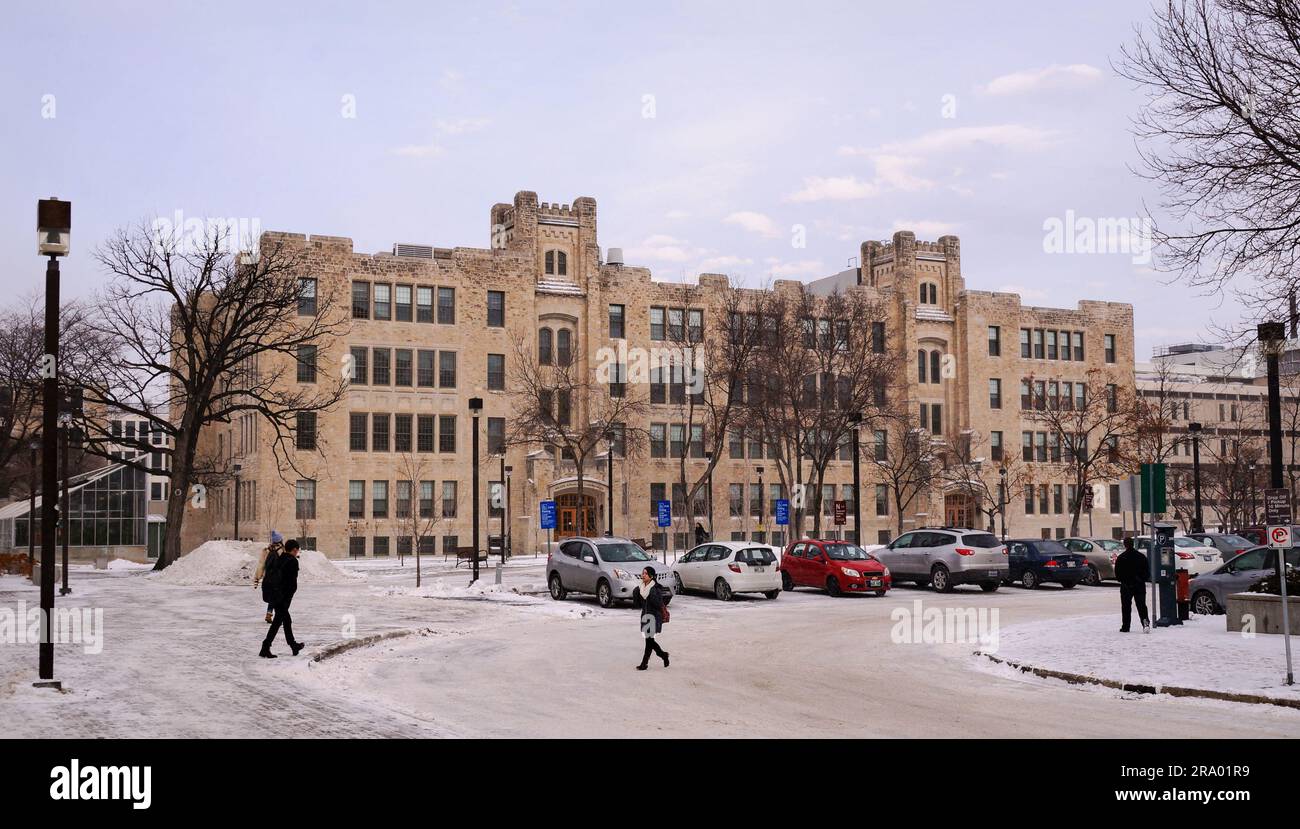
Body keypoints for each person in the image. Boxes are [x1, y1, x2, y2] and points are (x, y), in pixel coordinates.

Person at [260, 539, 305, 658]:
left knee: (281, 621)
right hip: (282, 598)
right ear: (294, 549)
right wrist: (287, 597)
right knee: (280, 622)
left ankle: (291, 645)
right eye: (297, 550)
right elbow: (291, 583)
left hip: (274, 595)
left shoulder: (281, 558)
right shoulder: (292, 561)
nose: (297, 553)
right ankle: (266, 647)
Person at [636, 565, 669, 670]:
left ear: (651, 576)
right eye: (643, 573)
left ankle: (644, 663)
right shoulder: (641, 587)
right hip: (645, 616)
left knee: (649, 641)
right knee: (649, 641)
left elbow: (658, 604)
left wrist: (652, 595)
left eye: (645, 573)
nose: (643, 575)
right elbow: (638, 603)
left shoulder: (655, 588)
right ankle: (663, 655)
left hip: (653, 616)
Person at [1114, 537, 1150, 633]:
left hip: (1126, 585)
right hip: (1139, 585)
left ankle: (1126, 626)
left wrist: (1123, 580)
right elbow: (1147, 572)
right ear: (1133, 544)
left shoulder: (1121, 558)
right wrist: (1141, 579)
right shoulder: (1141, 557)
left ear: (1125, 545)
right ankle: (1145, 623)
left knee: (1126, 607)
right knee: (1142, 606)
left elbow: (1117, 573)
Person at [254, 532, 284, 623]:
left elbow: (261, 565)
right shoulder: (282, 550)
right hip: (279, 578)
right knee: (278, 598)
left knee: (272, 597)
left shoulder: (266, 550)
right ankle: (276, 616)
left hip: (268, 578)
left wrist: (257, 578)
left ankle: (269, 613)